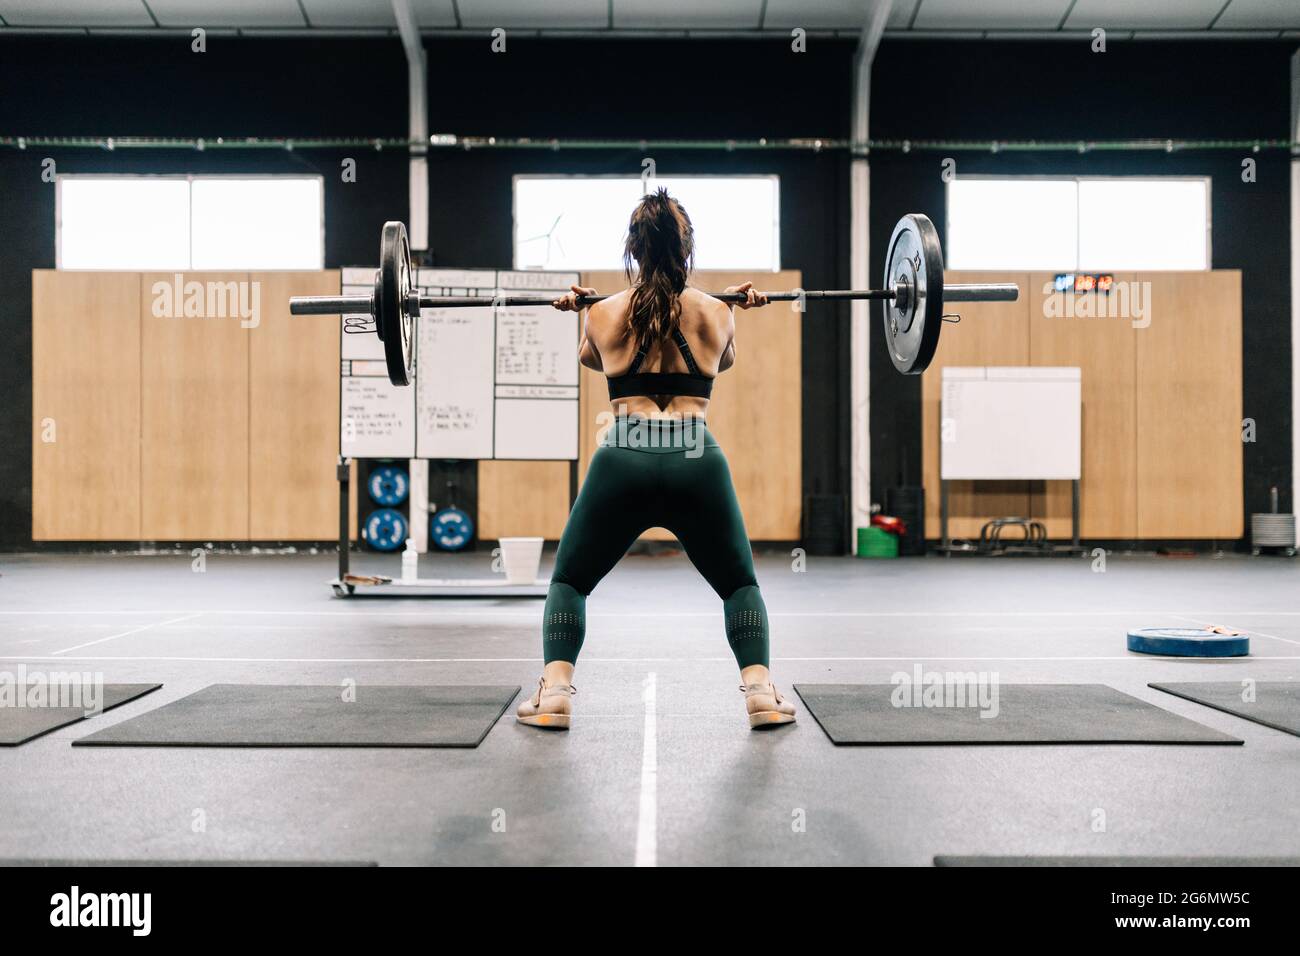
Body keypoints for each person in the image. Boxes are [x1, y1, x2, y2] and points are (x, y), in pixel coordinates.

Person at [516, 188, 796, 732]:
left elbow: (592, 359)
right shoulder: (718, 313)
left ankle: (554, 695)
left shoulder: (601, 314)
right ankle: (760, 692)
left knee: (570, 581)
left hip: (623, 454)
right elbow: (725, 361)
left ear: (633, 248)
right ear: (687, 247)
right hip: (696, 455)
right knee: (739, 585)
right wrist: (732, 306)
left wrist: (583, 308)